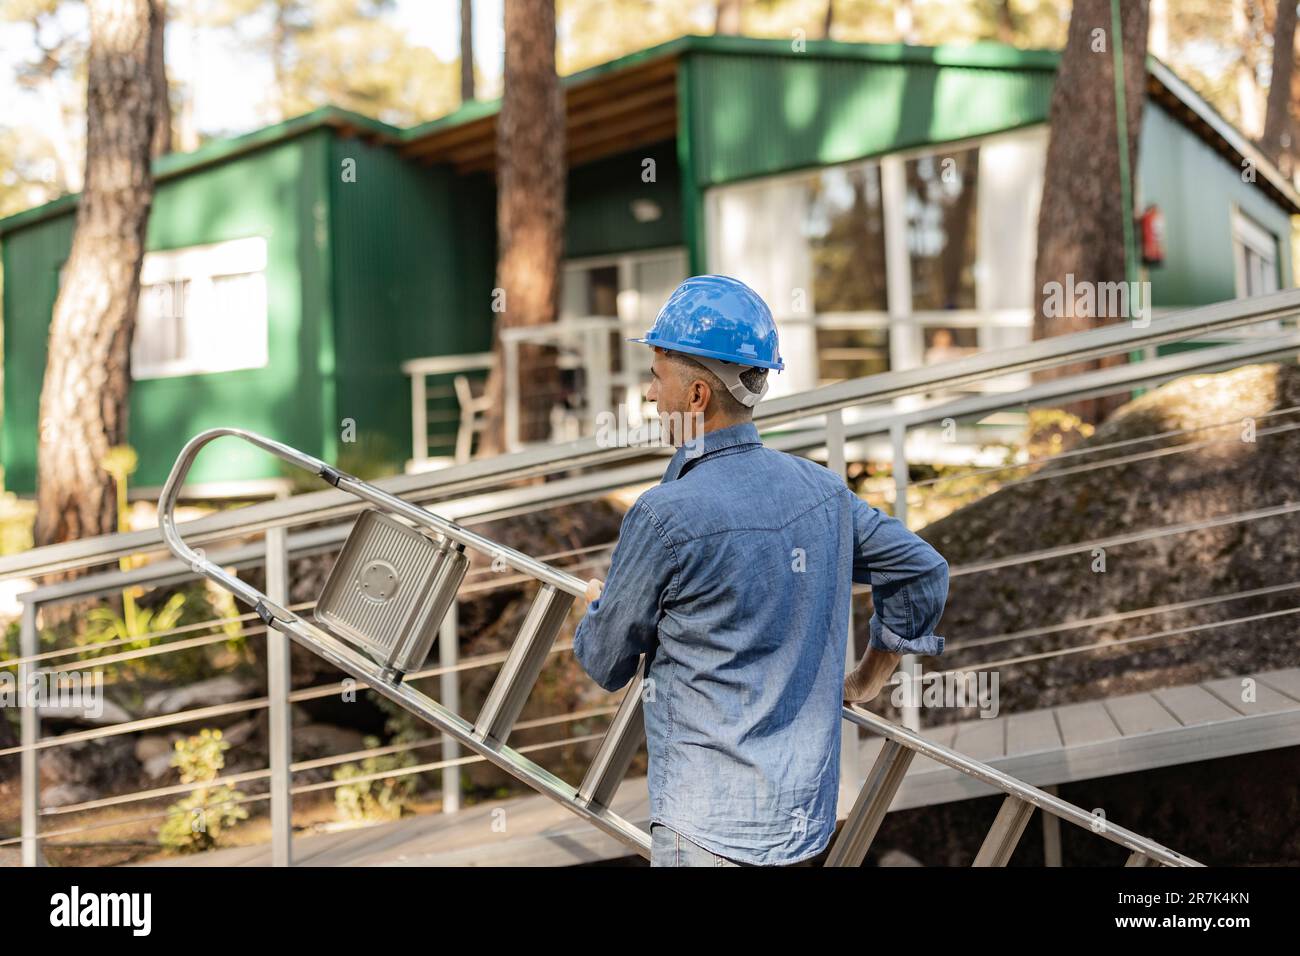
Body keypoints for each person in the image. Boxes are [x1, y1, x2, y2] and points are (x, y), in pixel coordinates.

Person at [571, 274, 949, 867]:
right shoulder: (822, 491)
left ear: (697, 396)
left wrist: (588, 609)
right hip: (805, 824)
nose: (649, 395)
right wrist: (872, 675)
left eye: (655, 376)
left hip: (705, 830)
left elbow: (605, 661)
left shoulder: (663, 514)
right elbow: (923, 570)